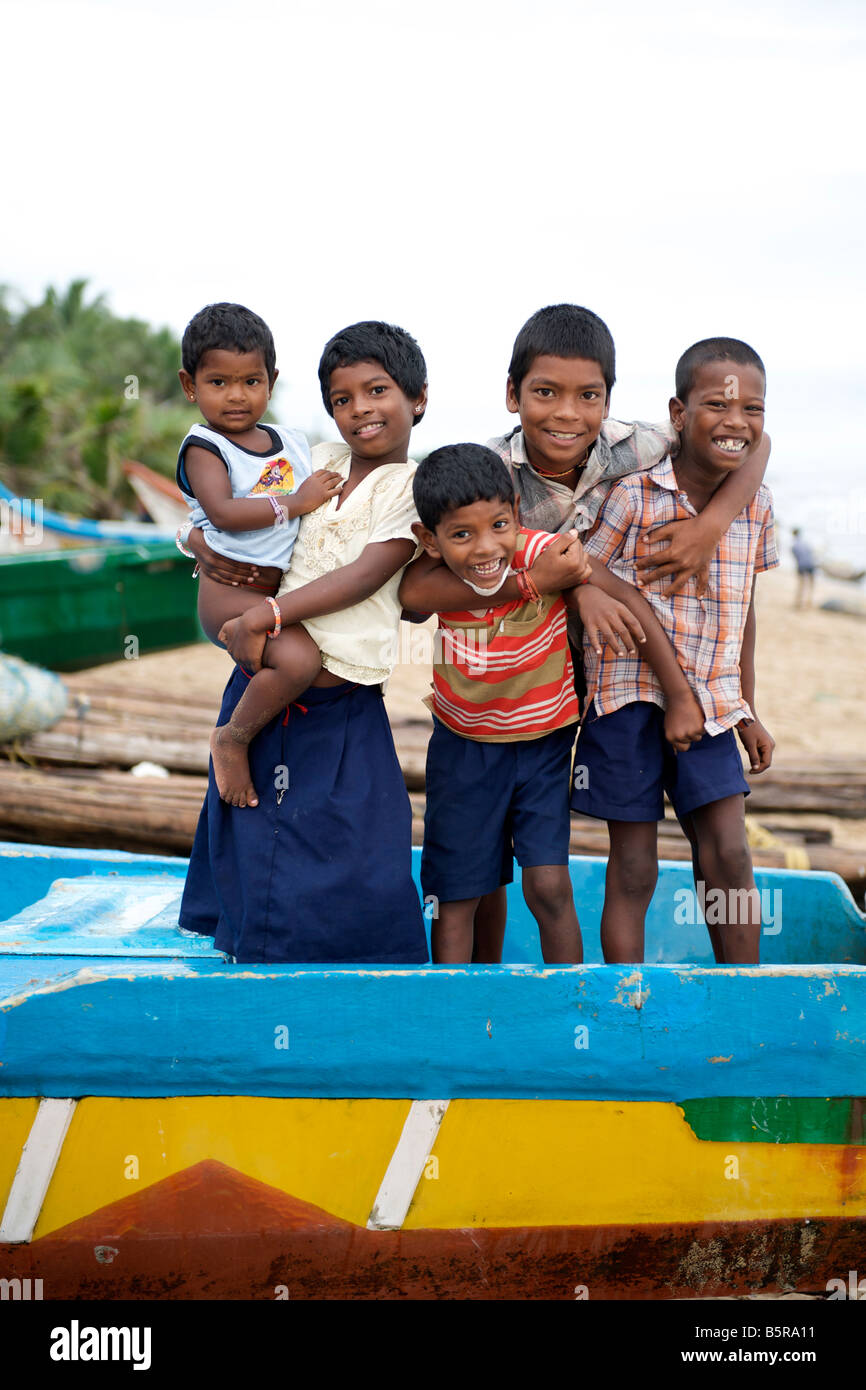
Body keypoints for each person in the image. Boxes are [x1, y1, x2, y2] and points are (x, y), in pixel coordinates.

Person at [400, 303, 770, 958]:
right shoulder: (485, 472)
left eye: (587, 396)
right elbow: (416, 591)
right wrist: (565, 585)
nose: (566, 414)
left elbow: (748, 440)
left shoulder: (637, 446)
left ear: (609, 401)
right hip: (528, 687)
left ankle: (721, 992)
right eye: (545, 393)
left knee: (680, 857)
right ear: (513, 395)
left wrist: (711, 527)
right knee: (482, 871)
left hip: (589, 685)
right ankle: (477, 994)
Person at [178, 321, 431, 964]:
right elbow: (237, 510)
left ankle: (360, 986)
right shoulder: (317, 460)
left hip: (340, 699)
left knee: (361, 844)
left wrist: (268, 611)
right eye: (342, 400)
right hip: (264, 685)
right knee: (251, 835)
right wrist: (200, 543)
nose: (360, 410)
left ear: (418, 399)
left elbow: (365, 575)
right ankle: (252, 979)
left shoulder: (412, 489)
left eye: (378, 391)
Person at [570, 338, 778, 965]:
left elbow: (742, 611)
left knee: (729, 854)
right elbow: (585, 573)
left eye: (753, 410)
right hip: (628, 697)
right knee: (634, 864)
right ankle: (624, 996)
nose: (736, 421)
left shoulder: (757, 505)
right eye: (717, 404)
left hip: (713, 704)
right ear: (678, 413)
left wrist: (746, 706)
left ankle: (743, 989)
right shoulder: (632, 496)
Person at [176, 302, 345, 808]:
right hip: (230, 595)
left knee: (312, 665)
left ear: (271, 380)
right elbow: (223, 512)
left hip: (274, 595)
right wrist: (295, 503)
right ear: (190, 386)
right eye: (219, 383)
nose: (236, 396)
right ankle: (232, 738)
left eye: (251, 381)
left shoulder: (291, 442)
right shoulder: (205, 447)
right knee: (299, 660)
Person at [791, 527, 817, 609]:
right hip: (811, 564)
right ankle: (810, 601)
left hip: (802, 565)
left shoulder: (794, 545)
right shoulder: (806, 543)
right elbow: (812, 553)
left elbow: (797, 558)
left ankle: (798, 603)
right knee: (811, 584)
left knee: (801, 585)